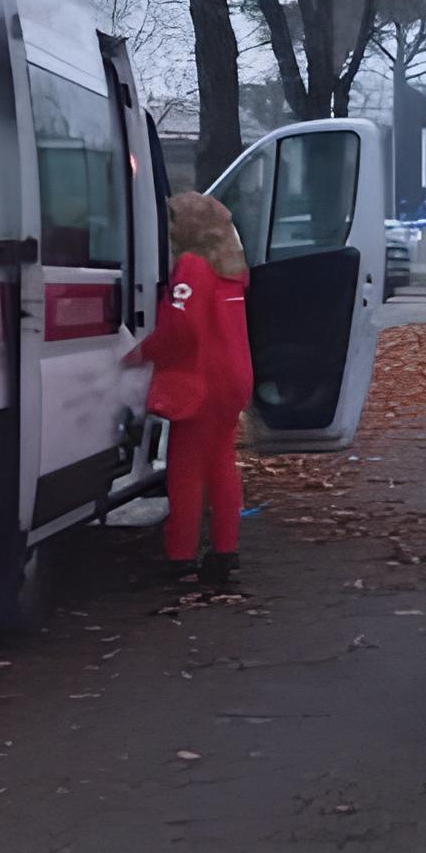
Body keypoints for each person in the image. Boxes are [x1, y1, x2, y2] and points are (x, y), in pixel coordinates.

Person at [133, 192, 254, 589]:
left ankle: (180, 555)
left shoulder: (191, 266)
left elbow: (181, 328)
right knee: (220, 464)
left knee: (185, 470)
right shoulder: (231, 270)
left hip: (204, 381)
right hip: (234, 378)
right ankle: (225, 550)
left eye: (172, 219)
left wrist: (142, 352)